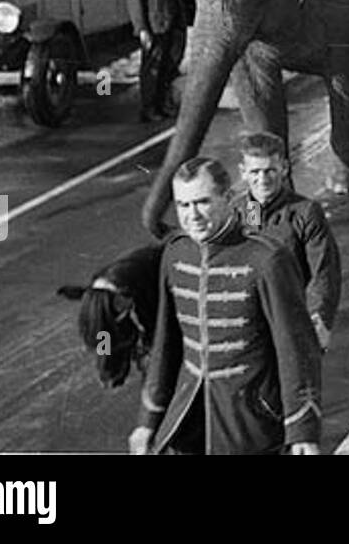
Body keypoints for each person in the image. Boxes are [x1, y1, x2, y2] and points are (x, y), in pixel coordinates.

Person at [129, 157, 322, 455]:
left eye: (202, 202)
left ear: (229, 198)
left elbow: (294, 348)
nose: (192, 215)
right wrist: (148, 419)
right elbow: (166, 344)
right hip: (190, 420)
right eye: (183, 205)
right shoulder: (176, 255)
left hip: (252, 425)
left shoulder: (266, 259)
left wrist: (302, 429)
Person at [234, 131, 342, 353]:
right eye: (255, 172)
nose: (263, 179)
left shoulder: (304, 213)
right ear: (243, 172)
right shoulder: (236, 212)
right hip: (249, 324)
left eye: (270, 171)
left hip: (291, 321)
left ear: (284, 168)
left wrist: (318, 317)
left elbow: (323, 271)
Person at [127, 0, 186, 123]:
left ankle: (161, 105)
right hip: (153, 27)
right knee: (151, 70)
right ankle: (149, 108)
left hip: (167, 26)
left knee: (165, 68)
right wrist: (142, 29)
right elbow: (135, 0)